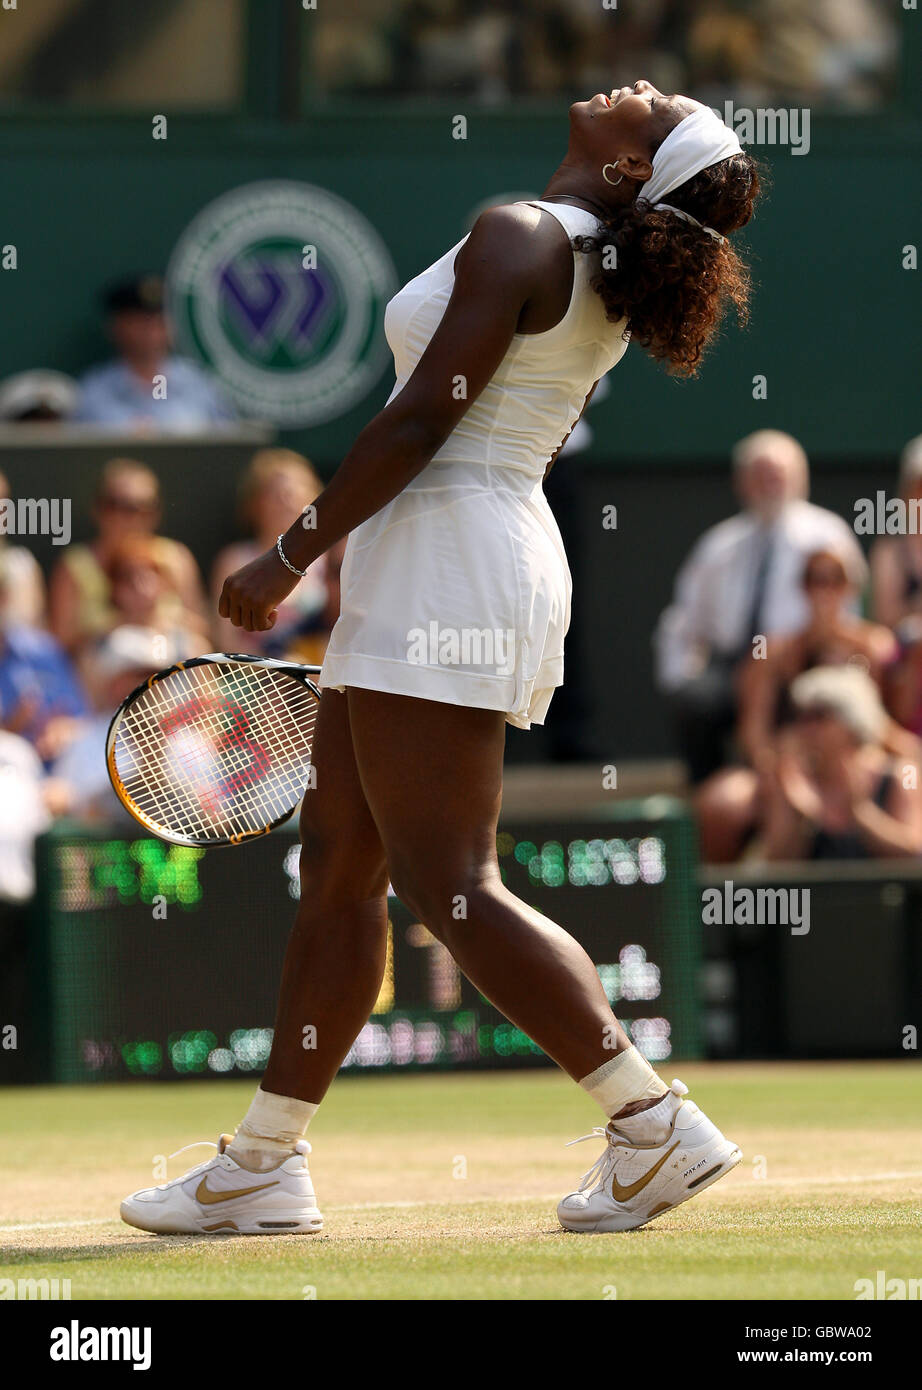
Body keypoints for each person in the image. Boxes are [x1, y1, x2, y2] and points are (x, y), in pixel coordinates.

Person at [121, 84, 761, 1238]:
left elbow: (419, 421)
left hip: (450, 553)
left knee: (449, 882)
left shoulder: (522, 233)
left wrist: (287, 555)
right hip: (442, 547)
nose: (636, 87)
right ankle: (265, 1162)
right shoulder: (569, 251)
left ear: (631, 171)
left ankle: (648, 1117)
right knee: (339, 866)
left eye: (656, 107)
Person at [654, 429, 866, 783]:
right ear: (742, 482)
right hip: (734, 669)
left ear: (801, 479)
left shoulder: (829, 536)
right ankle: (710, 797)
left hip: (800, 668)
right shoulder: (717, 546)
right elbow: (683, 623)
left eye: (779, 475)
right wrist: (680, 677)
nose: (771, 484)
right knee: (694, 701)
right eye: (761, 475)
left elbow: (849, 617)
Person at [695, 546, 901, 862]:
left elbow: (876, 727)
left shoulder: (871, 647)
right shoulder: (772, 654)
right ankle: (743, 903)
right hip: (784, 765)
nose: (825, 589)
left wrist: (845, 767)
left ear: (852, 588)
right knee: (722, 804)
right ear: (802, 586)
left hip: (851, 768)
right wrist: (779, 768)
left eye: (835, 579)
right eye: (815, 579)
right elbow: (754, 732)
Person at [48, 457, 209, 657]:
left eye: (143, 506)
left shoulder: (176, 558)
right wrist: (120, 625)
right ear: (98, 509)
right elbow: (60, 643)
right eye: (118, 505)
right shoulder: (73, 565)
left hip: (171, 673)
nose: (130, 518)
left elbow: (200, 628)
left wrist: (156, 621)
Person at [758, 665, 922, 861]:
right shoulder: (794, 778)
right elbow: (779, 865)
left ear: (852, 721)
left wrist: (861, 813)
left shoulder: (899, 775)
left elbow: (914, 853)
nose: (807, 728)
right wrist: (802, 814)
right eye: (803, 717)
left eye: (820, 716)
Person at [211, 450, 344, 665]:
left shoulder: (334, 558)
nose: (286, 500)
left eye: (295, 492)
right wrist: (278, 668)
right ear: (254, 503)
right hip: (259, 682)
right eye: (275, 493)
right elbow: (227, 640)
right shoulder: (234, 559)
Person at [74, 275, 236, 434]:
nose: (152, 331)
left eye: (159, 320)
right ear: (117, 327)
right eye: (141, 321)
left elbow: (227, 444)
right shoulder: (93, 392)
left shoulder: (199, 385)